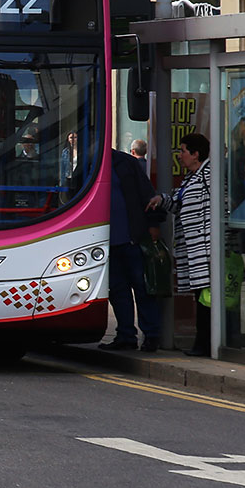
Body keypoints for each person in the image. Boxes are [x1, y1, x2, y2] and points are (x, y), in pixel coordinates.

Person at [148, 132, 213, 355]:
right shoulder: (192, 177)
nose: (179, 155)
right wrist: (162, 200)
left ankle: (205, 344)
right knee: (201, 297)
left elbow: (223, 205)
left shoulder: (209, 174)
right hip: (195, 249)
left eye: (183, 151)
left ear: (196, 154)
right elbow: (179, 203)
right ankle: (202, 343)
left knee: (205, 299)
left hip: (206, 249)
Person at [100, 149, 163, 351]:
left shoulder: (125, 162)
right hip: (105, 243)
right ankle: (126, 335)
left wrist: (153, 224)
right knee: (118, 291)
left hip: (132, 239)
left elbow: (146, 193)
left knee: (143, 288)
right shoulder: (87, 164)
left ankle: (151, 335)